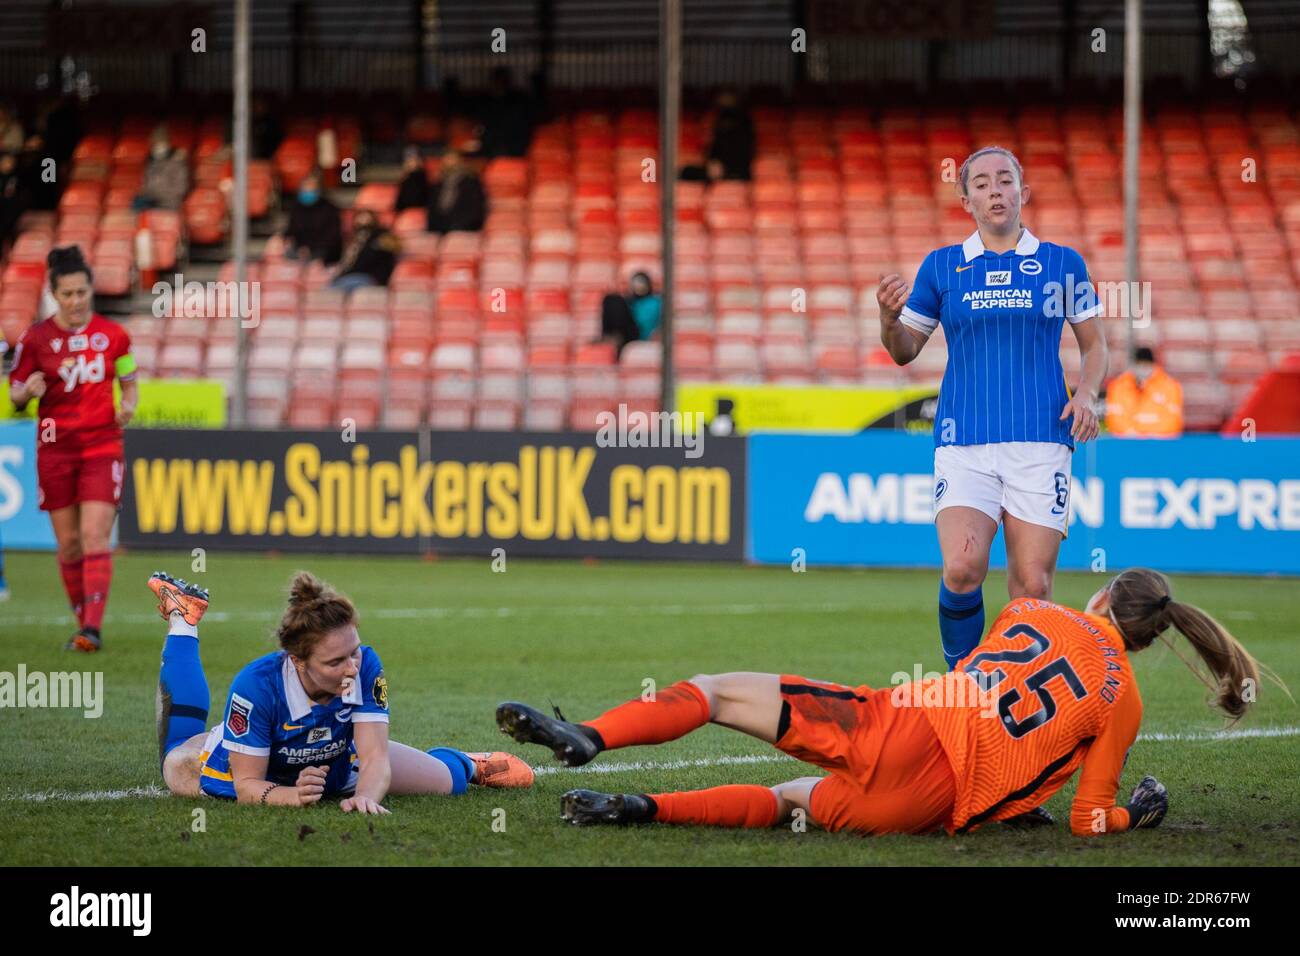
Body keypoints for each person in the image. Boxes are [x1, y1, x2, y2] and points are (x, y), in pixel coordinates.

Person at [497, 567, 1271, 837]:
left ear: (1102, 595)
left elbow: (984, 678)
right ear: (1144, 639)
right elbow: (1087, 818)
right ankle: (638, 810)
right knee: (785, 804)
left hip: (908, 727)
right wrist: (1140, 812)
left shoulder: (1033, 612)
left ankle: (591, 735)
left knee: (716, 693)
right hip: (932, 806)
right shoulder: (1126, 700)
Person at [877, 146, 1109, 674]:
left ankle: (1022, 695)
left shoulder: (1061, 263)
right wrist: (888, 320)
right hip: (964, 443)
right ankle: (962, 686)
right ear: (966, 201)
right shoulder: (942, 267)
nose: (995, 191)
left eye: (1005, 181)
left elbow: (1095, 346)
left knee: (1033, 585)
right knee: (962, 568)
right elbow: (903, 349)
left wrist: (1086, 395)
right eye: (981, 184)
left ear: (1022, 193)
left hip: (1040, 439)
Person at [153, 570, 535, 809]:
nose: (351, 667)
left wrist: (366, 797)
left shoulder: (364, 664)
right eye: (335, 663)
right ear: (298, 661)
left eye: (353, 653)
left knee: (449, 784)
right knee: (175, 766)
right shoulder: (257, 686)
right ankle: (183, 619)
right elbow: (249, 784)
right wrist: (292, 795)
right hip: (252, 770)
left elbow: (374, 758)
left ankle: (469, 760)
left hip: (338, 760)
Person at [7, 246, 137, 651]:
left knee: (95, 535)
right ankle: (84, 623)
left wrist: (128, 402)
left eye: (82, 292)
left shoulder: (114, 335)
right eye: (67, 294)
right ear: (54, 295)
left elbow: (128, 377)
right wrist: (24, 393)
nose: (76, 301)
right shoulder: (35, 339)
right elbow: (14, 393)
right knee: (69, 544)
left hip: (102, 445)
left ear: (91, 291)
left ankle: (93, 630)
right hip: (55, 450)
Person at [1105, 346, 1184, 437]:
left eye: (1146, 365)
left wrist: (1149, 435)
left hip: (1160, 445)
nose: (1142, 369)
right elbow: (1114, 421)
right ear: (1133, 366)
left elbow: (1173, 423)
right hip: (1128, 444)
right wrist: (1133, 434)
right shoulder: (1118, 386)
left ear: (1153, 365)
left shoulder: (1170, 386)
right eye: (1139, 365)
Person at [330, 209, 399, 293]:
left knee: (336, 290)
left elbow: (396, 246)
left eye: (367, 218)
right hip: (348, 277)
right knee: (328, 292)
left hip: (369, 278)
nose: (363, 221)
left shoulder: (382, 235)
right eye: (360, 218)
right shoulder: (354, 241)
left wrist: (375, 245)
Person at [284, 169, 342, 264]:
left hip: (324, 251)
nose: (308, 191)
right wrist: (283, 238)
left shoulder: (330, 209)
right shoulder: (296, 208)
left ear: (319, 190)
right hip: (300, 249)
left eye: (311, 188)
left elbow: (333, 238)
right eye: (305, 188)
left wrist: (310, 249)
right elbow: (291, 230)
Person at [598, 272, 661, 357]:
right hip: (627, 334)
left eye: (642, 283)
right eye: (636, 283)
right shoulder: (630, 302)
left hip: (642, 334)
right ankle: (611, 339)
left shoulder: (657, 302)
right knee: (612, 300)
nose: (639, 287)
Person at [426, 149, 486, 235]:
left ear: (460, 161)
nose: (449, 163)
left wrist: (460, 226)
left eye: (452, 159)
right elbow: (432, 210)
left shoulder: (471, 182)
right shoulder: (437, 185)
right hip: (439, 229)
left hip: (464, 229)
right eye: (446, 159)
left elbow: (476, 210)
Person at [133, 128, 189, 211]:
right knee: (138, 203)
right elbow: (146, 183)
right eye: (155, 143)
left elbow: (181, 188)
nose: (157, 146)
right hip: (151, 199)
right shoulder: (150, 161)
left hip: (169, 201)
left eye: (160, 142)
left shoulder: (177, 162)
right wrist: (147, 193)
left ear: (167, 143)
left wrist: (159, 196)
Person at [394, 146, 429, 212]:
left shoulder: (421, 177)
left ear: (419, 161)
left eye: (413, 159)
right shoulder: (405, 178)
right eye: (407, 160)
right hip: (404, 214)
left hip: (416, 212)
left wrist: (411, 174)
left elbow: (416, 200)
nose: (409, 162)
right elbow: (399, 203)